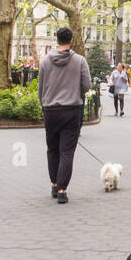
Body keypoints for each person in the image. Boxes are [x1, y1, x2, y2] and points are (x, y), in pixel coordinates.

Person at [38, 27, 91, 204]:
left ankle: (54, 183)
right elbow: (87, 85)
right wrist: (75, 91)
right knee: (67, 151)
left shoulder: (45, 61)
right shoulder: (80, 61)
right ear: (72, 40)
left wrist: (44, 103)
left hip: (50, 110)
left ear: (56, 39)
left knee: (52, 149)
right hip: (71, 110)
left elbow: (41, 87)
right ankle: (62, 189)